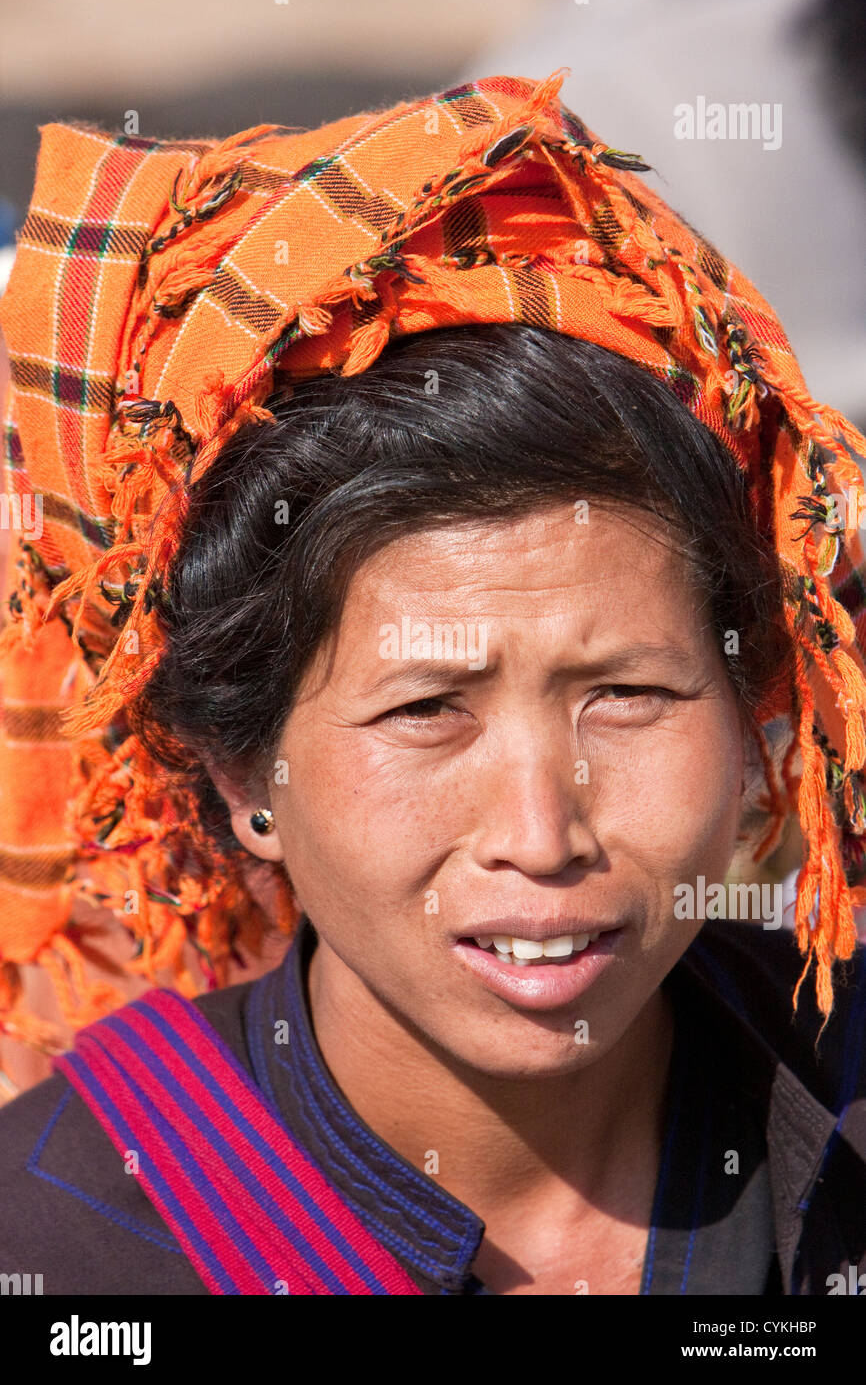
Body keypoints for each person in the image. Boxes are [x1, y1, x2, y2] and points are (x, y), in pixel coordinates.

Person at [0, 68, 865, 1296]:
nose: (539, 835)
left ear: (751, 712)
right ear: (245, 767)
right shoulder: (56, 1243)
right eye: (423, 710)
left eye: (624, 694)